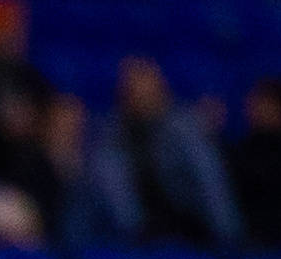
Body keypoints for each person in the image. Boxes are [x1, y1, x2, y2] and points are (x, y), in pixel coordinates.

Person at [85, 57, 241, 248]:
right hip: (137, 234)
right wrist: (134, 231)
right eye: (134, 90)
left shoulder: (185, 129)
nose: (141, 96)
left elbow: (209, 180)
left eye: (147, 88)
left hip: (189, 225)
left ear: (161, 90)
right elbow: (114, 192)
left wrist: (228, 233)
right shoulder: (110, 135)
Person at [228, 77, 281, 252]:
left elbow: (258, 178)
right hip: (239, 235)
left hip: (270, 240)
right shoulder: (244, 145)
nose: (254, 109)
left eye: (264, 103)